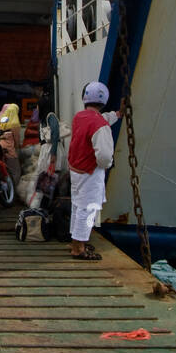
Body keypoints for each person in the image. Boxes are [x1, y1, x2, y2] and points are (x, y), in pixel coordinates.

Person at [67, 81, 119, 261]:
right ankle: (79, 248)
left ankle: (75, 240)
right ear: (104, 100)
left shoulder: (80, 117)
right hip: (90, 172)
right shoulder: (100, 126)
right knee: (88, 208)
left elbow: (100, 119)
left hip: (76, 170)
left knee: (77, 206)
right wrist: (109, 164)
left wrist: (117, 115)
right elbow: (104, 156)